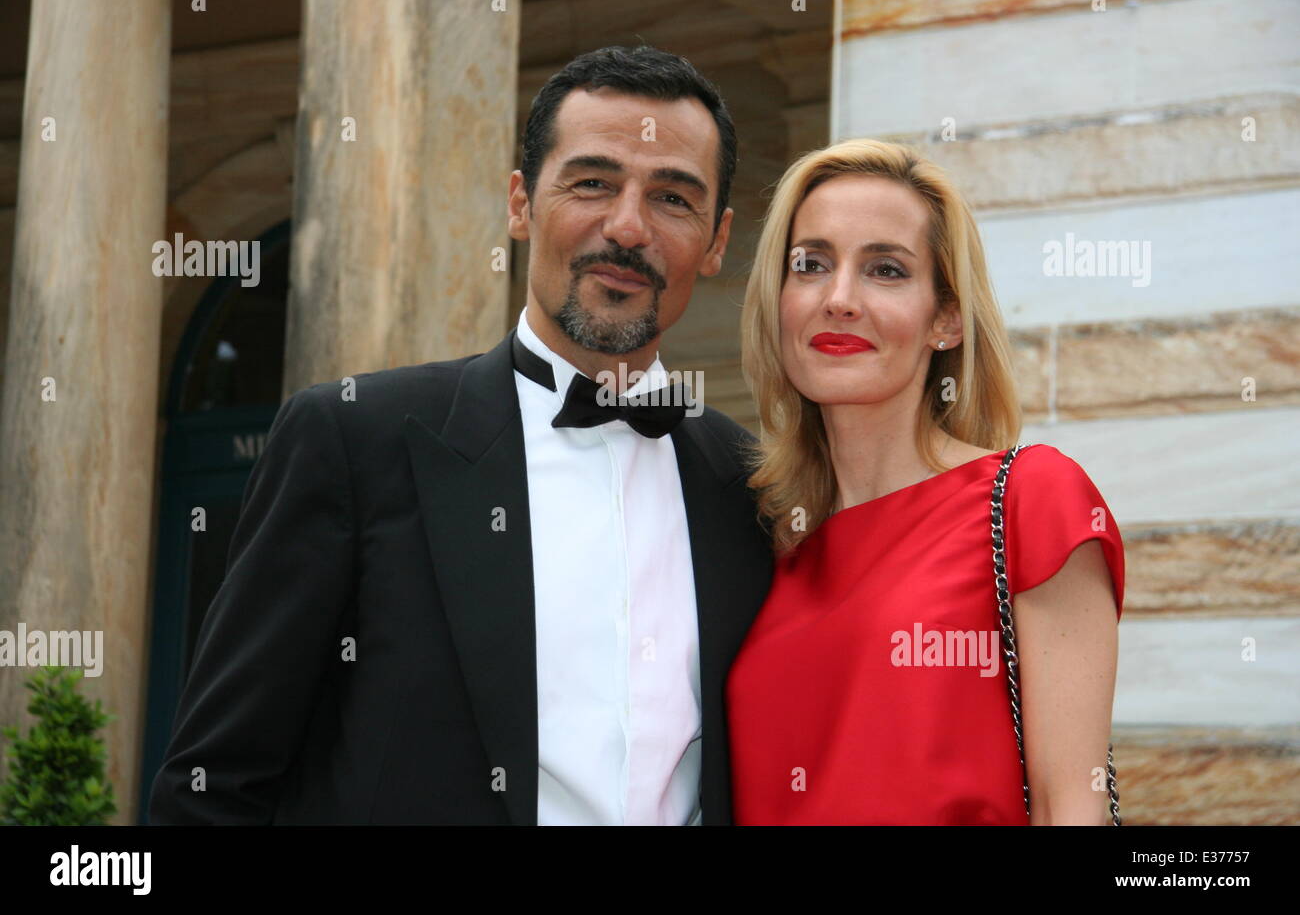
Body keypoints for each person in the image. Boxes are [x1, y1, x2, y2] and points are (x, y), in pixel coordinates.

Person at [149, 45, 774, 825]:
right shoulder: (352, 439)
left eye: (673, 199)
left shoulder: (752, 488)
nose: (627, 227)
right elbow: (213, 786)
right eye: (592, 183)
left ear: (716, 242)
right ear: (520, 204)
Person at [726, 139, 1124, 824]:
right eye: (811, 265)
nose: (839, 299)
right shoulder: (766, 544)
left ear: (945, 319)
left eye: (885, 269)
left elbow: (1072, 803)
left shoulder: (1032, 497)